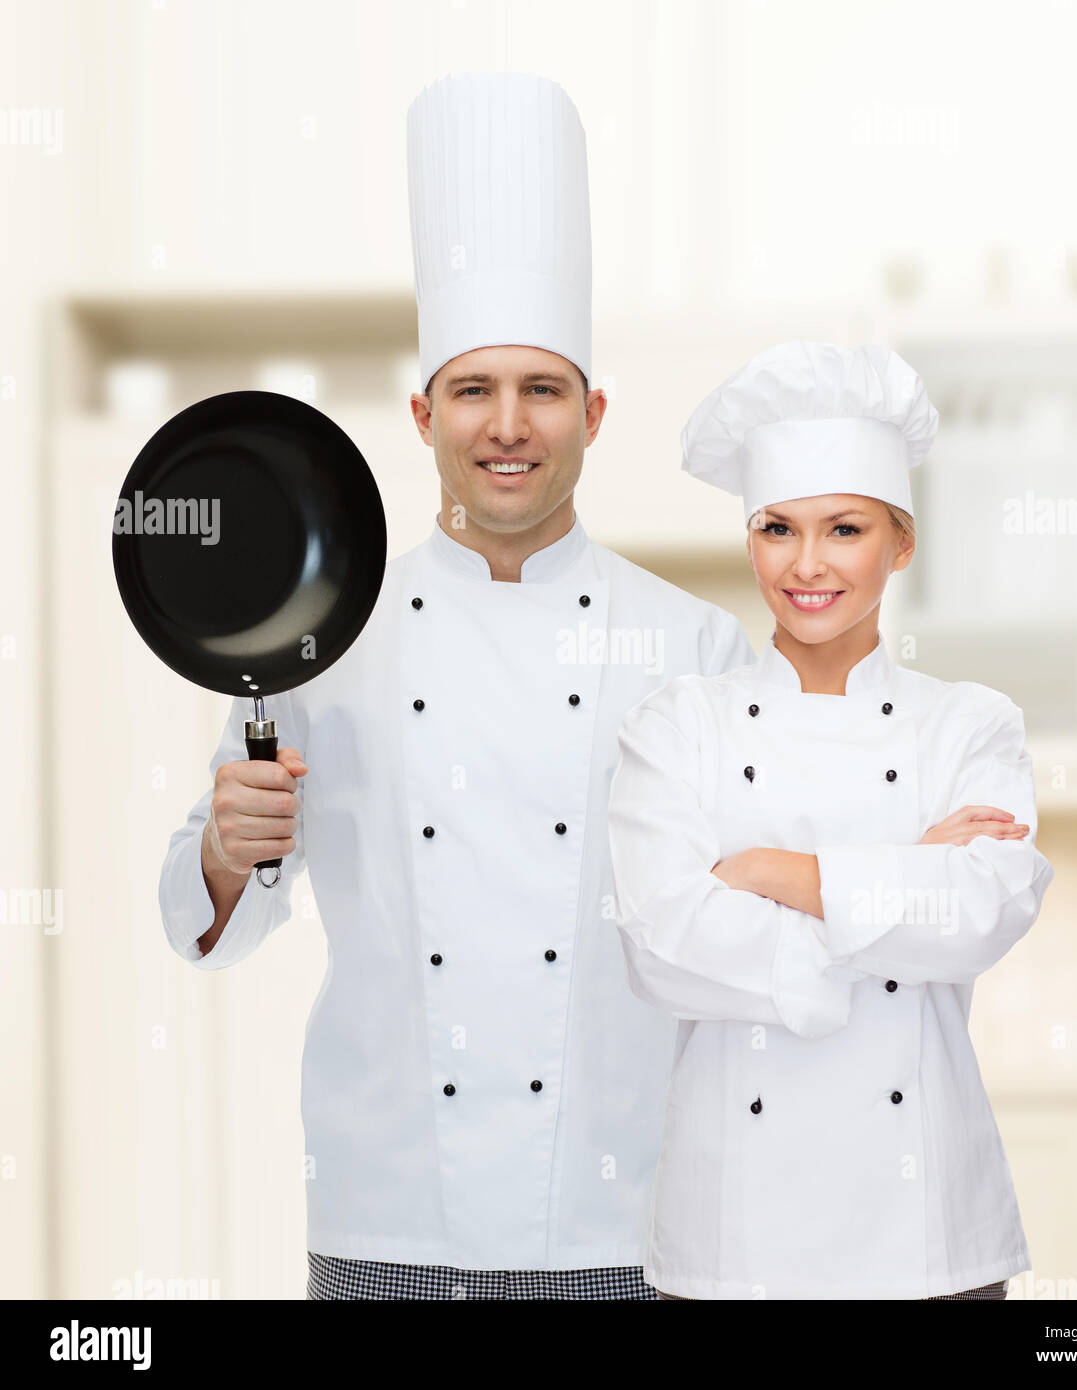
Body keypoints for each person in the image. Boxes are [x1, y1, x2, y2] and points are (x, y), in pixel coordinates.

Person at [157, 71, 754, 1302]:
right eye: (475, 390)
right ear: (424, 412)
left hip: (624, 1220)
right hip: (387, 1217)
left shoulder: (695, 646)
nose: (508, 426)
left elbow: (754, 929)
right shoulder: (327, 633)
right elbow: (215, 918)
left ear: (592, 412)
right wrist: (228, 850)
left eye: (542, 390)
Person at [606, 340, 1054, 1300]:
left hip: (926, 1237)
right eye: (777, 529)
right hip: (736, 1246)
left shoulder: (967, 722)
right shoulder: (678, 725)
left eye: (843, 529)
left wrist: (770, 871)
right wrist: (897, 882)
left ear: (899, 544)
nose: (806, 565)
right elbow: (658, 945)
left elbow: (982, 914)